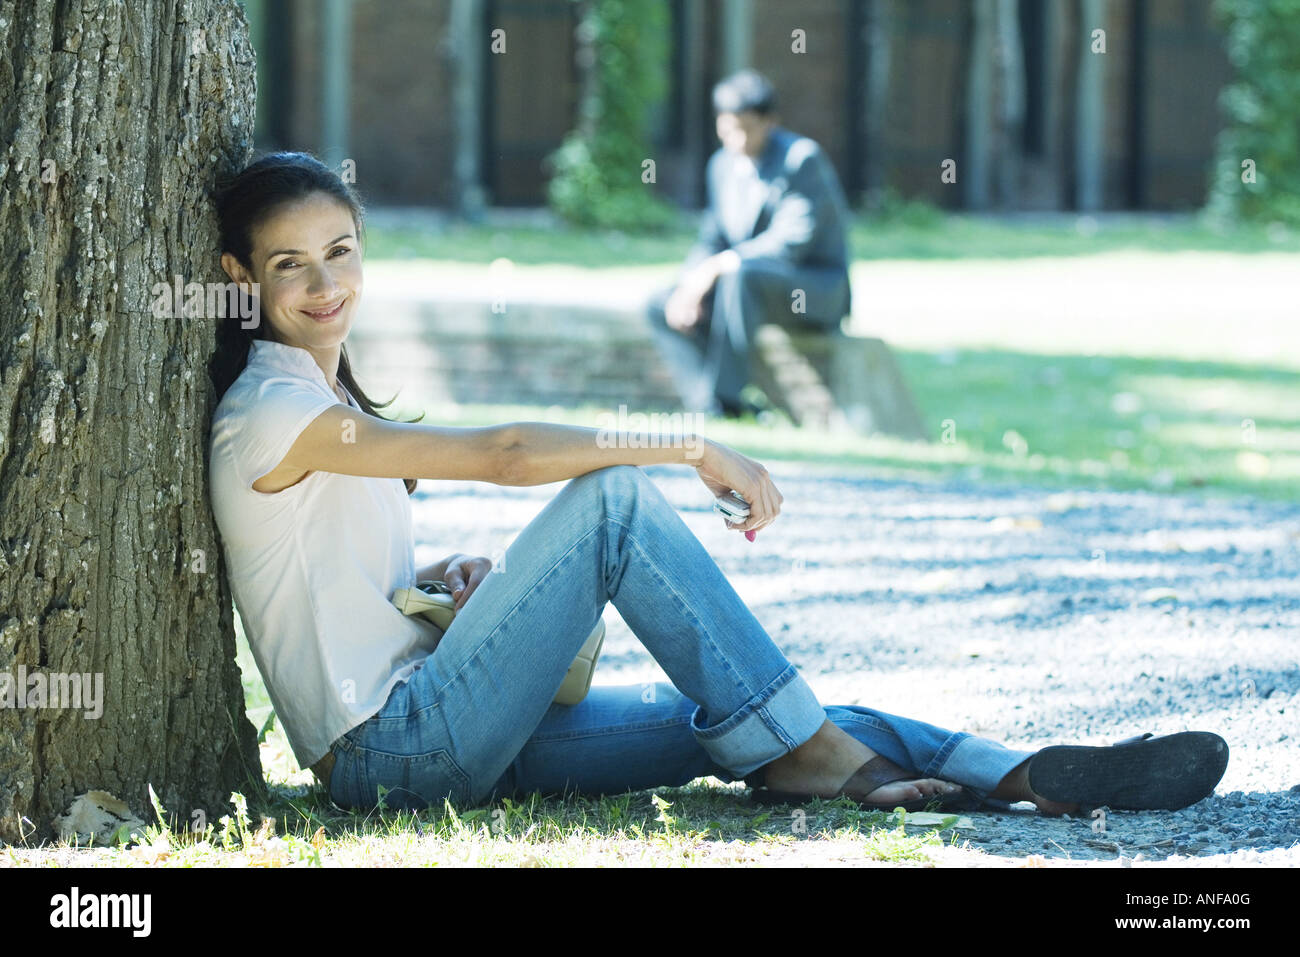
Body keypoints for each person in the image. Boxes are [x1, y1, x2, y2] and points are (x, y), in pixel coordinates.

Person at [207, 152, 1228, 819]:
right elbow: (508, 452)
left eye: (339, 252)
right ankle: (818, 758)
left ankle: (1021, 774)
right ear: (239, 276)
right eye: (289, 265)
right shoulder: (275, 409)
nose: (324, 284)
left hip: (455, 721)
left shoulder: (316, 397)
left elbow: (330, 573)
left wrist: (443, 571)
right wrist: (687, 444)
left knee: (754, 712)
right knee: (613, 502)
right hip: (397, 752)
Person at [645, 70, 853, 419]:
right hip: (741, 283)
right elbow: (711, 239)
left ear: (770, 122)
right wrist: (689, 284)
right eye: (728, 130)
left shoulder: (801, 160)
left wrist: (721, 265)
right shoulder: (721, 166)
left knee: (742, 276)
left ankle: (728, 397)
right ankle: (705, 403)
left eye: (747, 129)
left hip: (811, 287)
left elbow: (791, 243)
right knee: (659, 303)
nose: (737, 141)